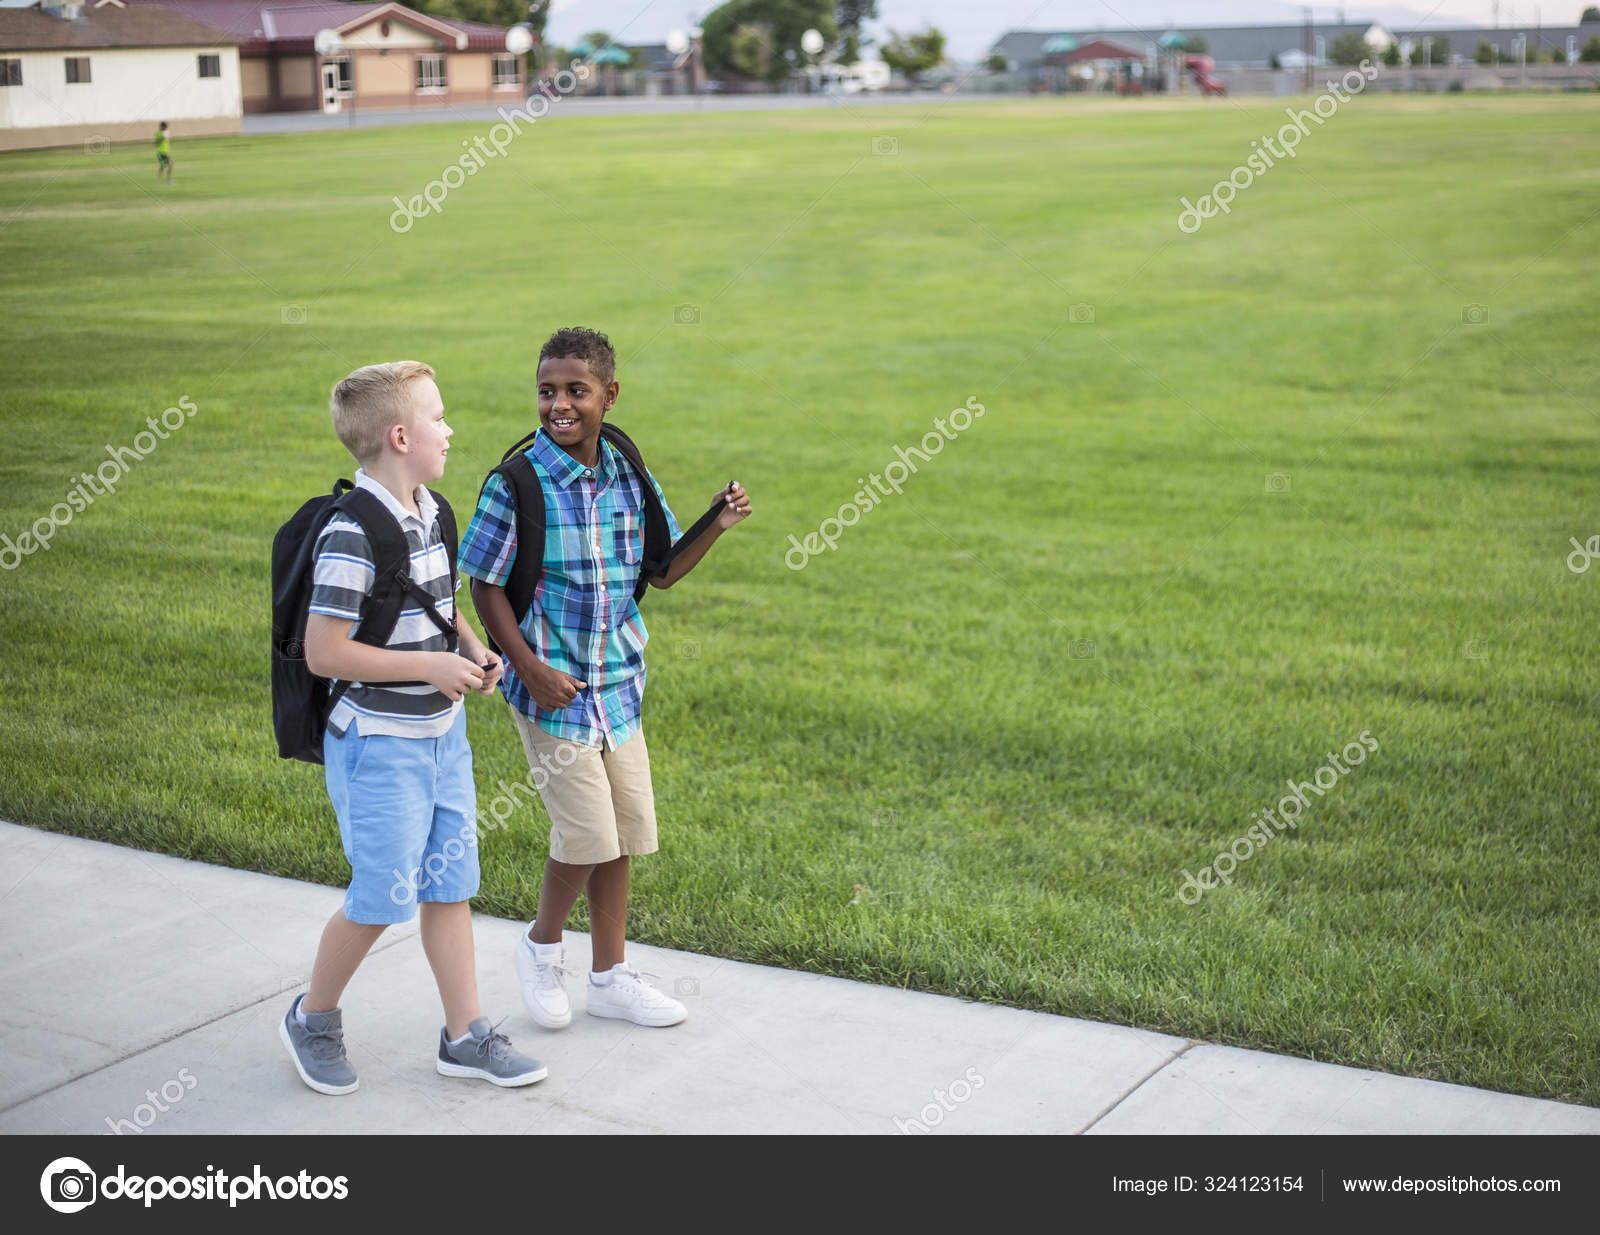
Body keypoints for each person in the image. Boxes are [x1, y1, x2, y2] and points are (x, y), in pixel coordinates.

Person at [458, 326, 751, 1031]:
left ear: (608, 395)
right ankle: (540, 947)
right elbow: (484, 581)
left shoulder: (627, 471)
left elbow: (662, 569)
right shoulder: (516, 483)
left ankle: (610, 976)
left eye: (576, 391)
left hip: (618, 683)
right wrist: (528, 667)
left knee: (623, 832)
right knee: (587, 834)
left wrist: (716, 523)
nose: (559, 404)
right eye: (547, 391)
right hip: (553, 691)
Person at [280, 360, 546, 1094]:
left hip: (441, 738)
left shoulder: (434, 511)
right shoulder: (351, 534)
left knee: (449, 884)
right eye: (438, 417)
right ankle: (313, 1016)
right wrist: (428, 668)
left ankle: (464, 1035)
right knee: (381, 895)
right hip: (378, 744)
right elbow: (324, 652)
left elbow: (437, 603)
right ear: (401, 436)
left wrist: (471, 648)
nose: (449, 429)